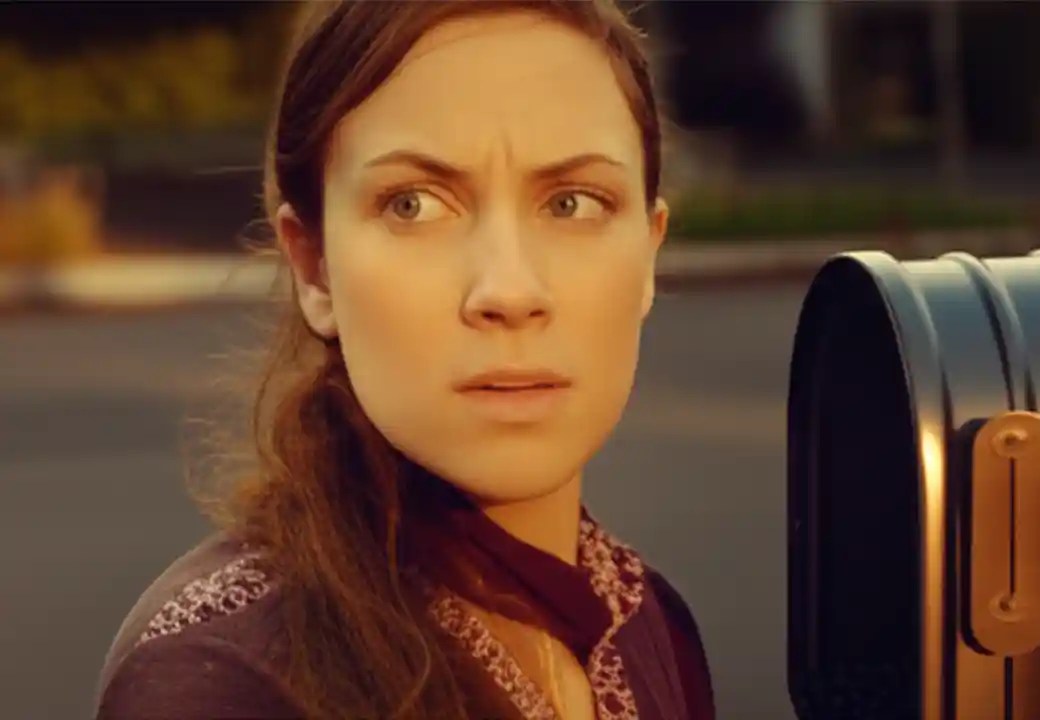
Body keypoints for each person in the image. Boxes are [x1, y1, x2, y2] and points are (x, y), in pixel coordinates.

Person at [93, 1, 715, 718]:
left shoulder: (651, 624)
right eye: (413, 204)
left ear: (648, 252)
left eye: (573, 203)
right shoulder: (224, 681)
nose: (509, 291)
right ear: (315, 268)